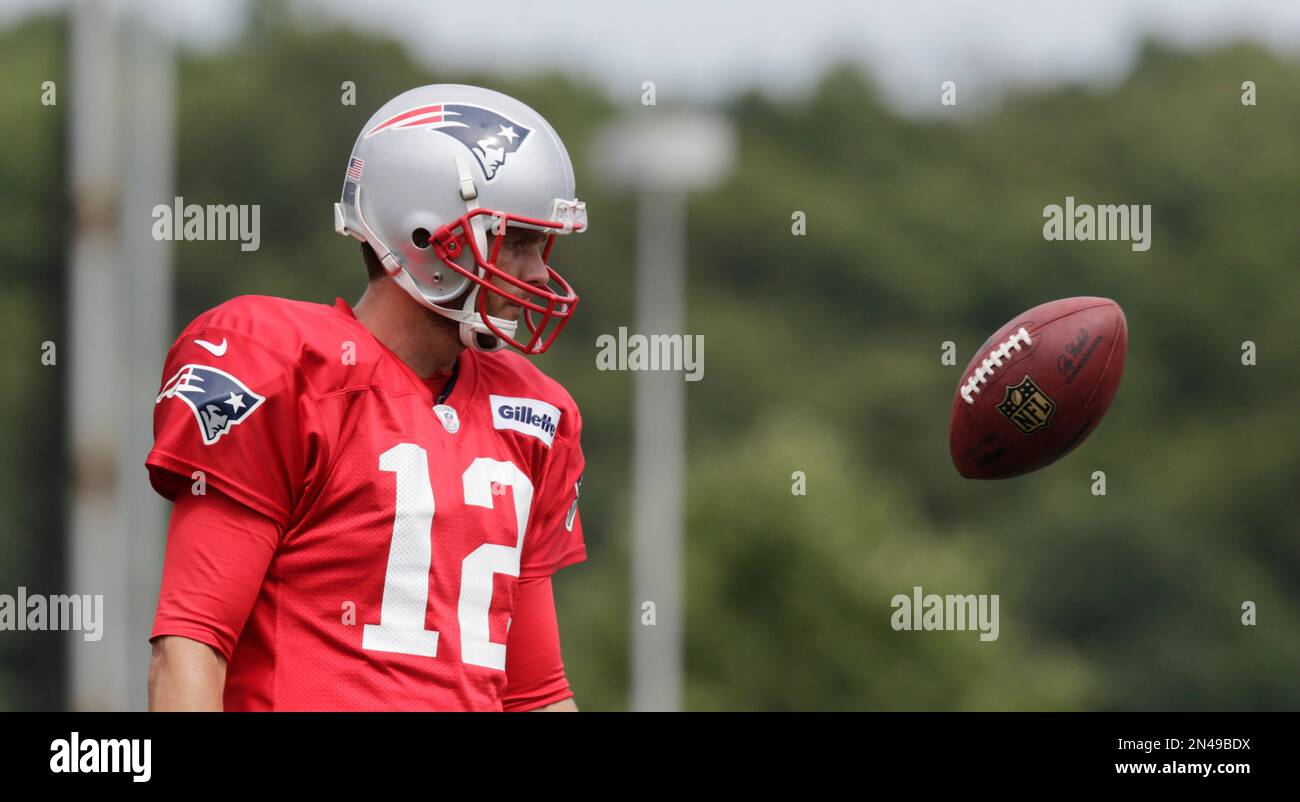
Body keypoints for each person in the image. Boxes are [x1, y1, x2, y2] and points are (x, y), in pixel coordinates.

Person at [145, 84, 590, 711]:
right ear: (431, 236)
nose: (539, 272)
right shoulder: (286, 368)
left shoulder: (533, 417)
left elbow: (537, 694)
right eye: (517, 240)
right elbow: (191, 645)